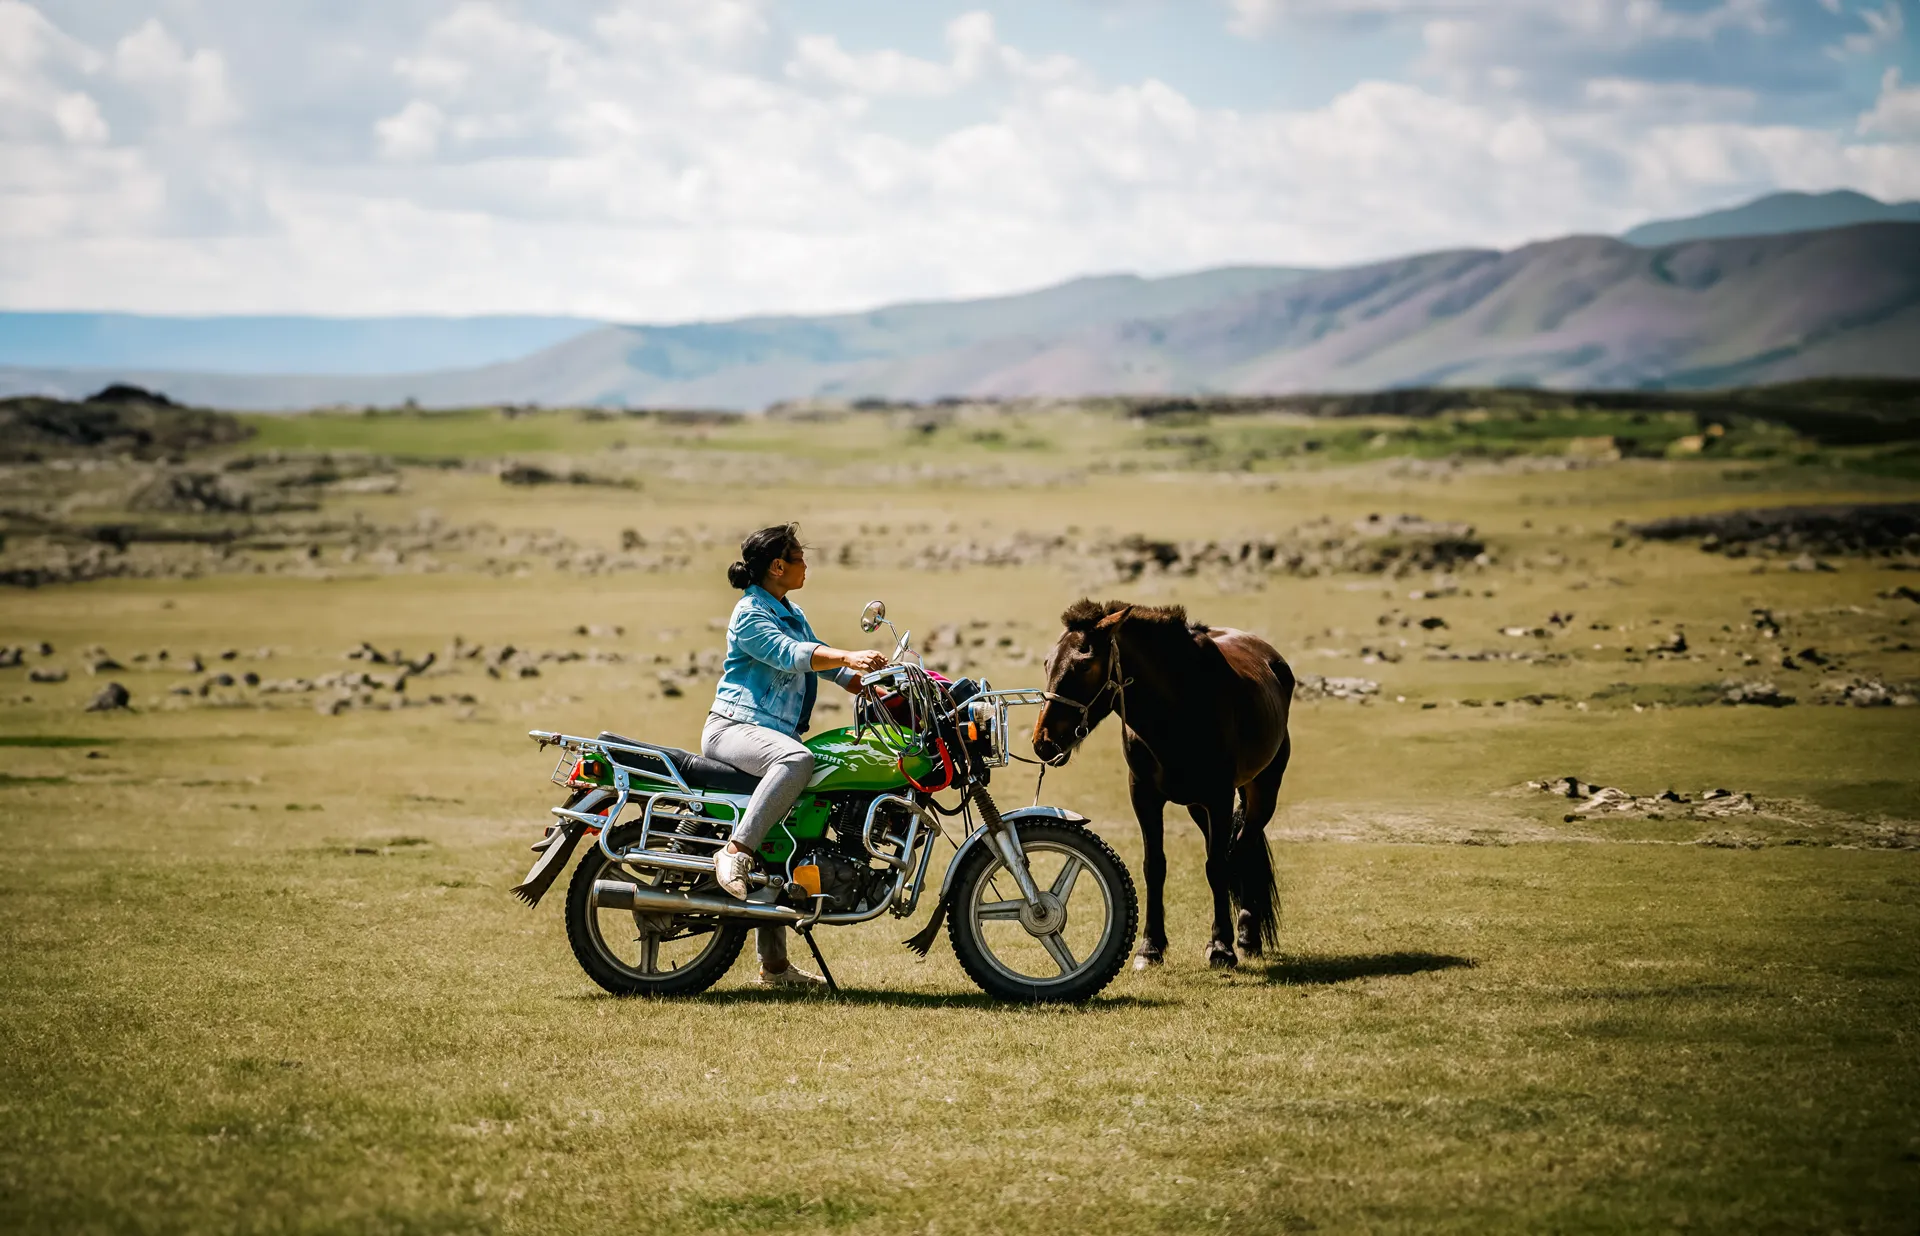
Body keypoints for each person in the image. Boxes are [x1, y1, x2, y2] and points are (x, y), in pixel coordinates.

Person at [704, 523, 888, 988]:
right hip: (735, 729)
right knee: (797, 762)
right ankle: (734, 852)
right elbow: (791, 656)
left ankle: (775, 968)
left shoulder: (791, 610)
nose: (807, 564)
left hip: (772, 734)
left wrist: (883, 687)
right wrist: (847, 655)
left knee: (783, 843)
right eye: (800, 557)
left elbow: (823, 668)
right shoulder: (750, 614)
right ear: (778, 566)